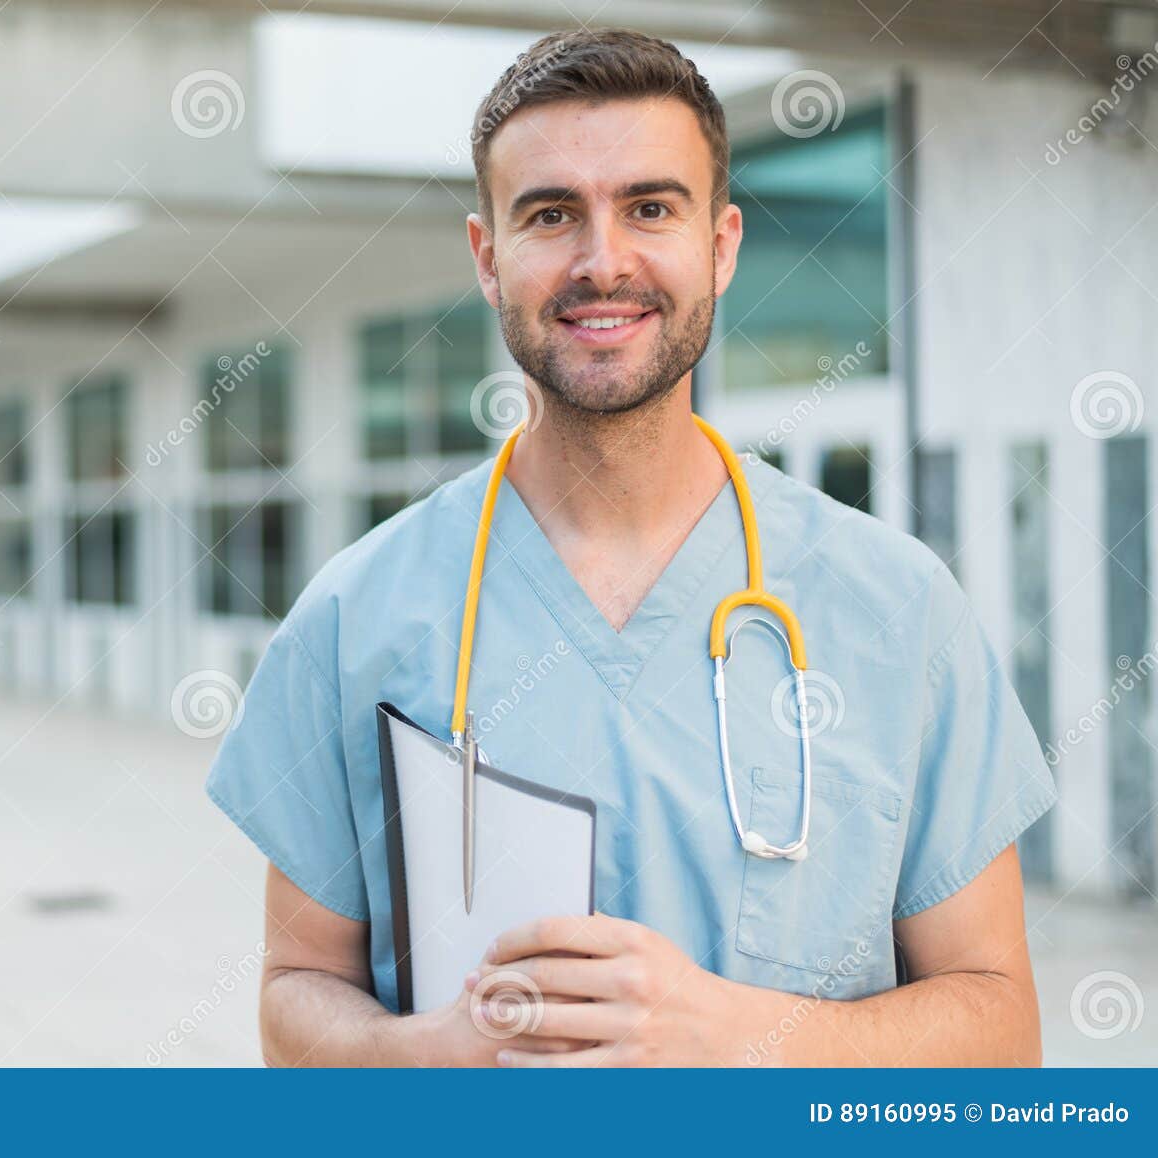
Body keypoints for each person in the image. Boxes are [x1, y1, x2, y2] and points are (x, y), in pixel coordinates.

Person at [205, 28, 1056, 1067]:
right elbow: (295, 997)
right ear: (487, 258)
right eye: (551, 214)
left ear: (721, 245)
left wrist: (742, 1036)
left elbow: (1000, 1028)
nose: (602, 261)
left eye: (649, 208)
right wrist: (434, 1055)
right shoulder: (354, 618)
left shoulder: (896, 608)